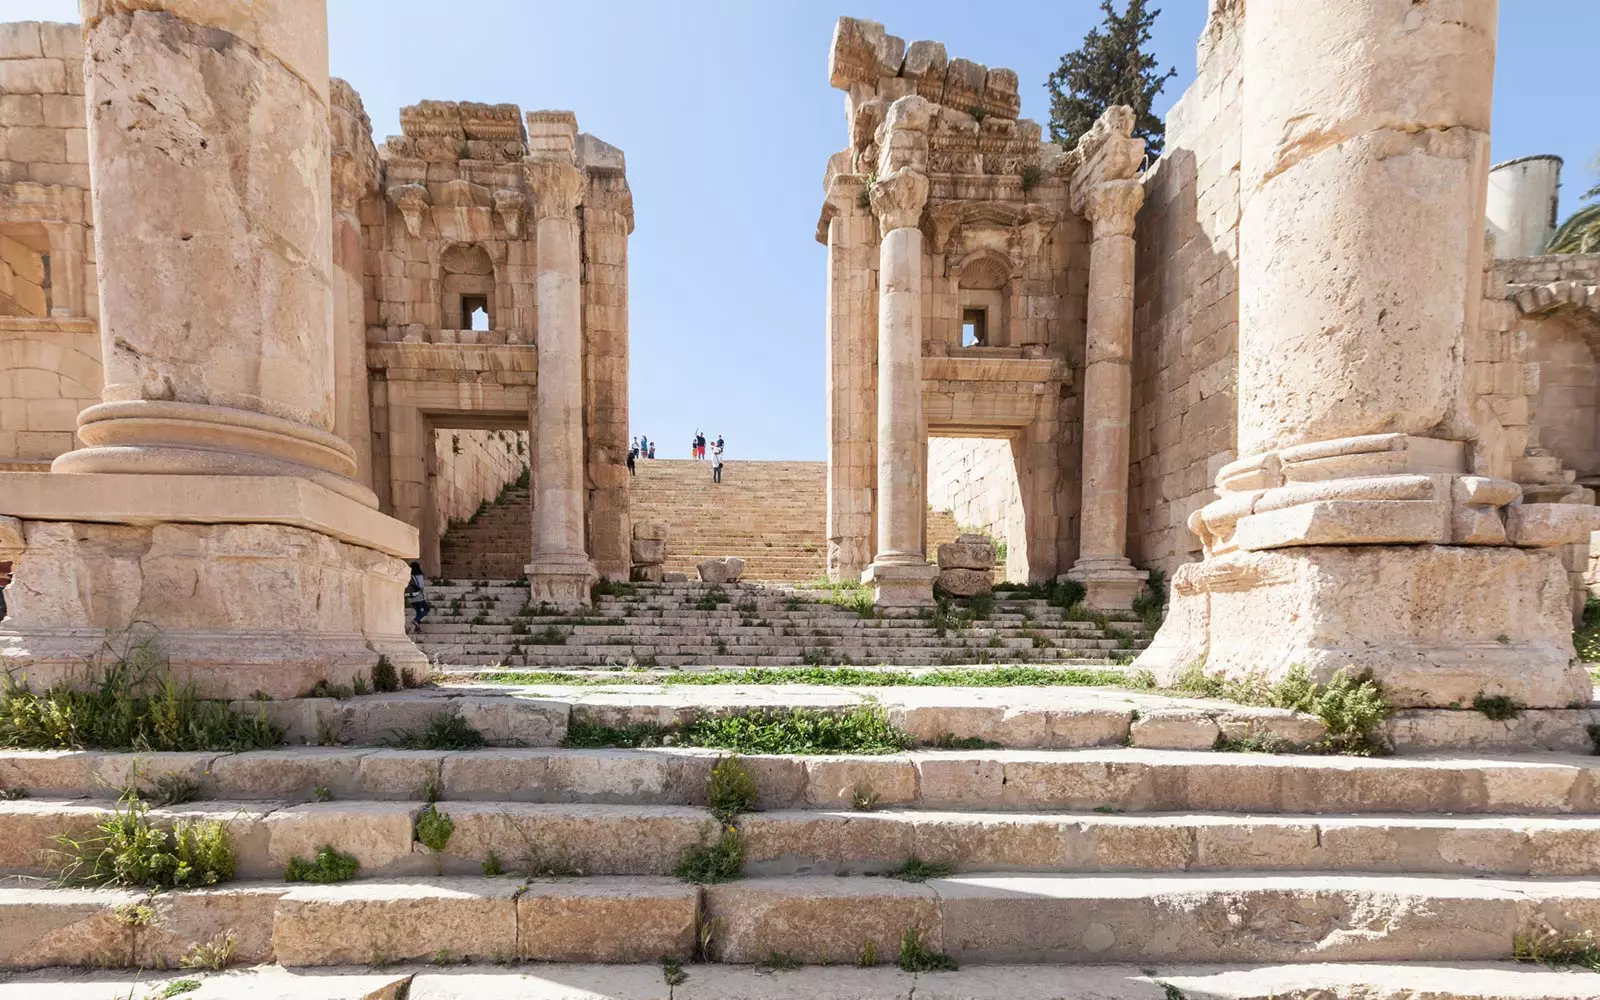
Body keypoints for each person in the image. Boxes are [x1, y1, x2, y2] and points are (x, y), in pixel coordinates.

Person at [405, 560, 429, 631]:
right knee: (426, 609)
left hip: (410, 596)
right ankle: (416, 620)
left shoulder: (408, 576)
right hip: (417, 595)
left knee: (418, 611)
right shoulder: (419, 575)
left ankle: (417, 627)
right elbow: (421, 586)